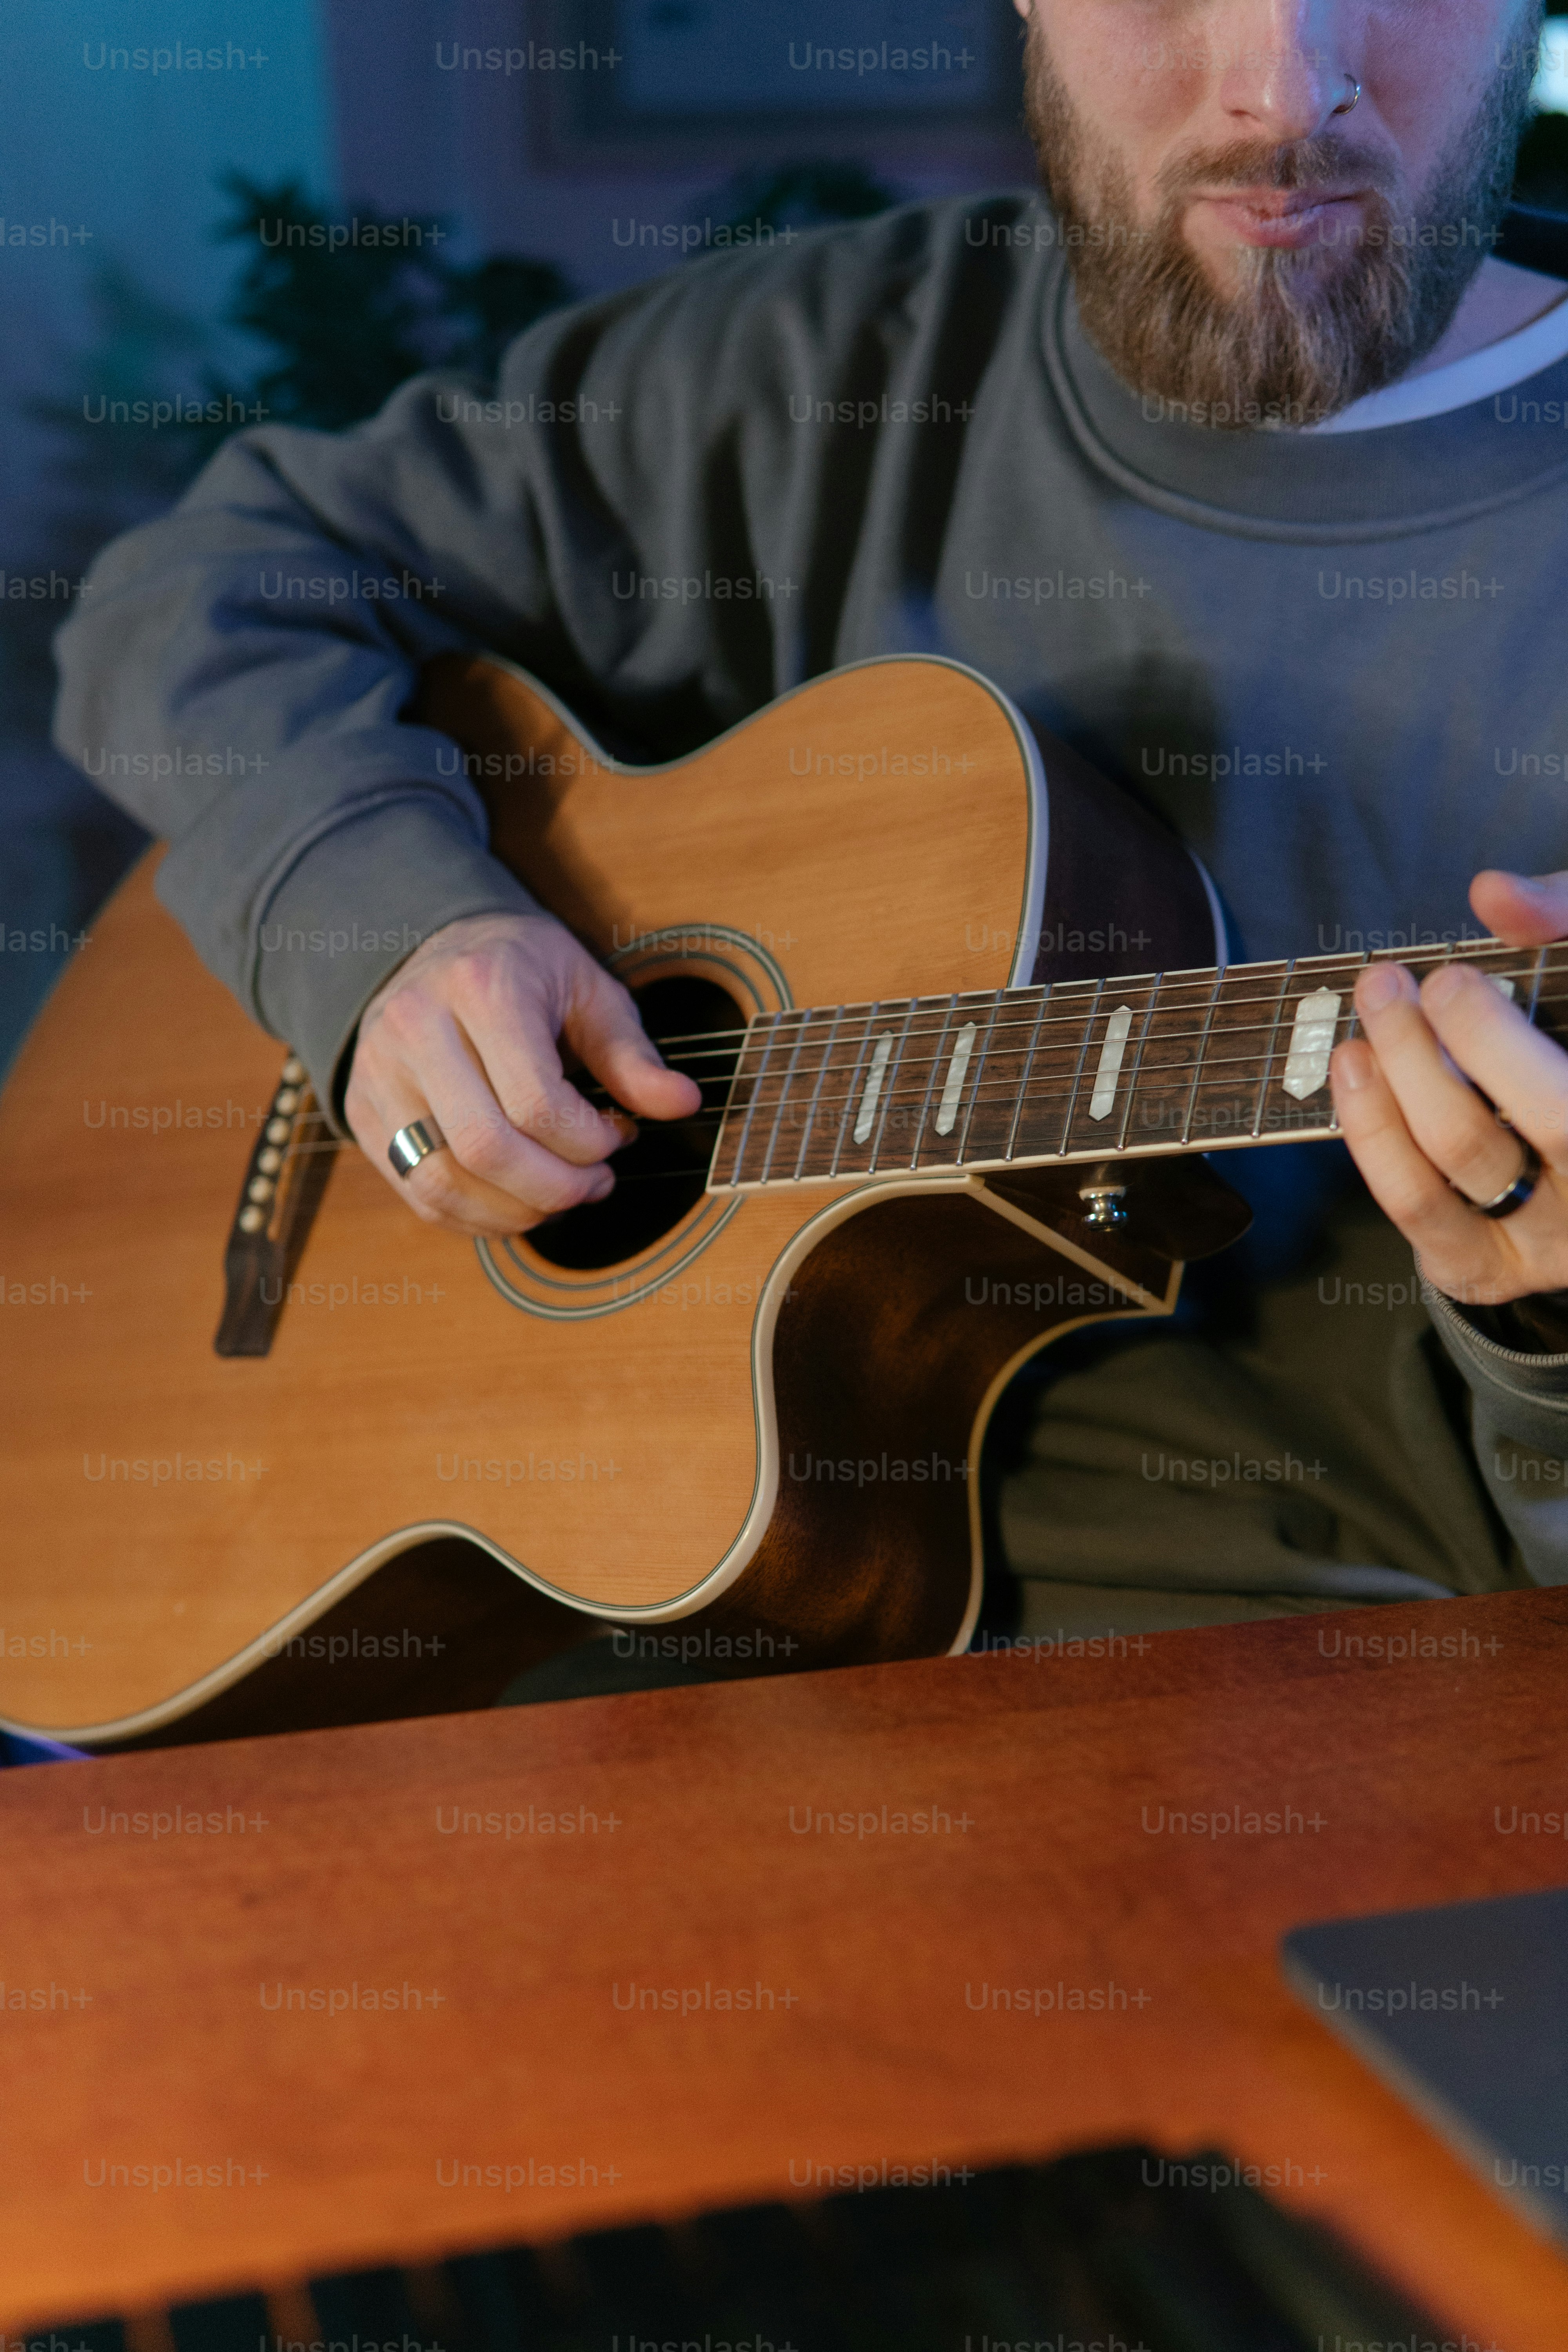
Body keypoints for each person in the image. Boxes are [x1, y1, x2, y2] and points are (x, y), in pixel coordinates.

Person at [54, 0, 1568, 1643]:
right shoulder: (837, 367)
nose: (1279, 87)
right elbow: (200, 592)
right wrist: (388, 927)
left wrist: (1543, 1332)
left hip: (1303, 1722)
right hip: (568, 1658)